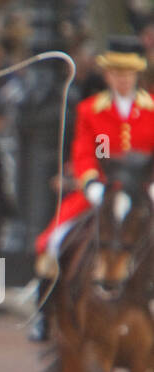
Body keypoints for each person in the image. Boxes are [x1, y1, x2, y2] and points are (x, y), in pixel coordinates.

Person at [32, 36, 154, 338]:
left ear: (136, 75)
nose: (122, 80)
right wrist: (90, 184)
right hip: (102, 192)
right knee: (53, 243)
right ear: (107, 75)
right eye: (116, 73)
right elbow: (84, 152)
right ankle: (45, 314)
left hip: (144, 195)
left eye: (127, 74)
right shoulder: (90, 110)